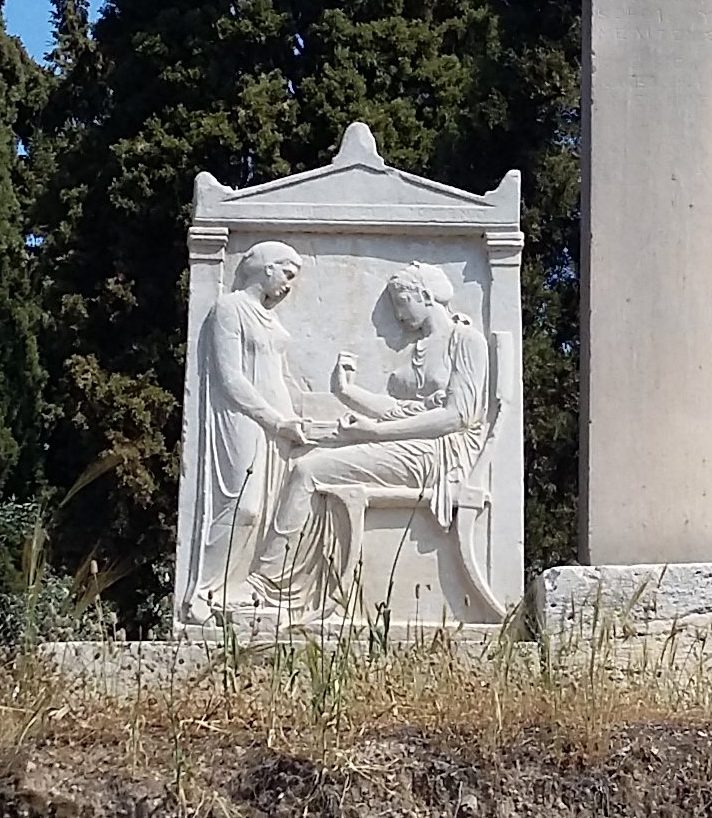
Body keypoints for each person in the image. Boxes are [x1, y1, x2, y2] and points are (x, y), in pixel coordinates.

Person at [258, 263, 501, 617]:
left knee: (308, 470)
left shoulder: (467, 341)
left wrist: (376, 433)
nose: (398, 313)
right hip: (414, 444)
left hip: (443, 456)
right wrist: (347, 392)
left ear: (425, 295)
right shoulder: (421, 347)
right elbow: (401, 410)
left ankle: (268, 584)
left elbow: (456, 416)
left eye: (401, 301)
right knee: (314, 453)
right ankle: (298, 585)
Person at [184, 242, 318, 622]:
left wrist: (297, 417)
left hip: (279, 425)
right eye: (287, 275)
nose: (289, 285)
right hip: (242, 417)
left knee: (266, 511)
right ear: (267, 268)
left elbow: (279, 374)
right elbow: (231, 378)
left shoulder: (270, 318)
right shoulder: (230, 309)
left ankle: (233, 587)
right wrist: (275, 420)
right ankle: (204, 590)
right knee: (243, 506)